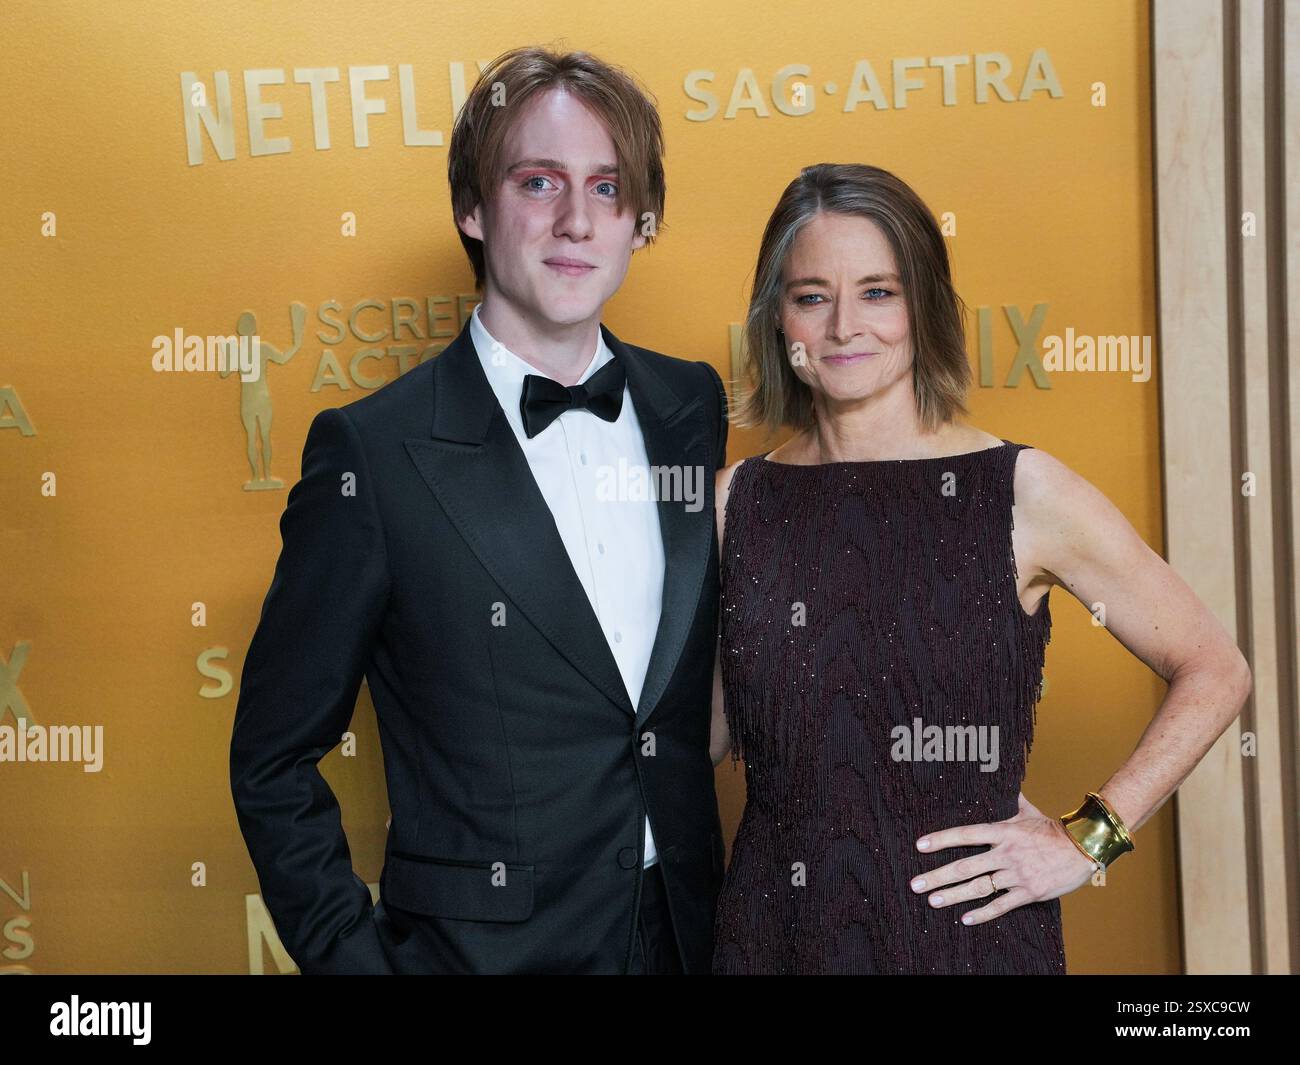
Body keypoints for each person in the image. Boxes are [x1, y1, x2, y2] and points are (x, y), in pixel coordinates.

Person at [230, 46, 729, 975]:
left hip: (693, 943)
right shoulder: (371, 455)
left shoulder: (689, 406)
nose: (577, 220)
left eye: (608, 188)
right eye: (539, 182)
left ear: (638, 222)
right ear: (472, 206)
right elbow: (270, 761)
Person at [708, 162, 1252, 974]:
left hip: (968, 940)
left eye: (879, 292)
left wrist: (1087, 840)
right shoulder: (734, 501)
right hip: (770, 937)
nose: (844, 326)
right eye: (812, 295)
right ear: (776, 317)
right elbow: (701, 739)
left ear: (924, 306)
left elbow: (1216, 668)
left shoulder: (1020, 489)